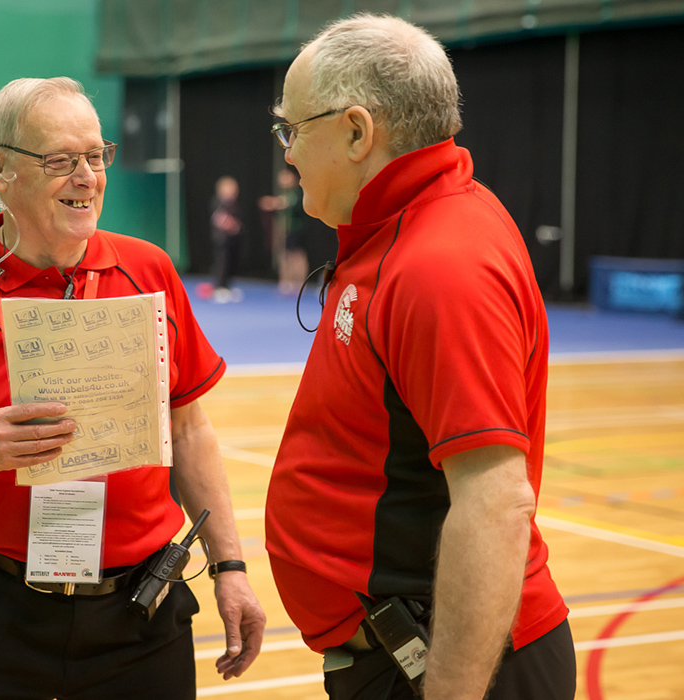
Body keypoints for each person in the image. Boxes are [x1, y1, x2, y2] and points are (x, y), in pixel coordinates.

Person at [0, 77, 265, 700]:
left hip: (142, 618)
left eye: (96, 157)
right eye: (60, 161)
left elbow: (189, 428)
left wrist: (229, 567)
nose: (87, 177)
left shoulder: (147, 270)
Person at [264, 14, 575, 700]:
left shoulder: (440, 263)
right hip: (404, 651)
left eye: (294, 130)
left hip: (447, 665)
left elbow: (494, 503)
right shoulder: (400, 231)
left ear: (356, 130)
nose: (287, 153)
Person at [258, 168, 310, 295]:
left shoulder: (297, 193)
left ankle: (300, 282)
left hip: (296, 230)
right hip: (285, 230)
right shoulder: (284, 193)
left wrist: (272, 203)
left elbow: (285, 202)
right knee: (285, 255)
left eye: (285, 177)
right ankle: (286, 281)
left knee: (297, 255)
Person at [209, 175, 243, 302]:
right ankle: (219, 288)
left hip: (232, 239)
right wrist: (231, 225)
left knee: (231, 263)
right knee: (221, 263)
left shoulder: (233, 202)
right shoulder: (218, 201)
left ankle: (227, 286)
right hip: (221, 239)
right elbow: (219, 219)